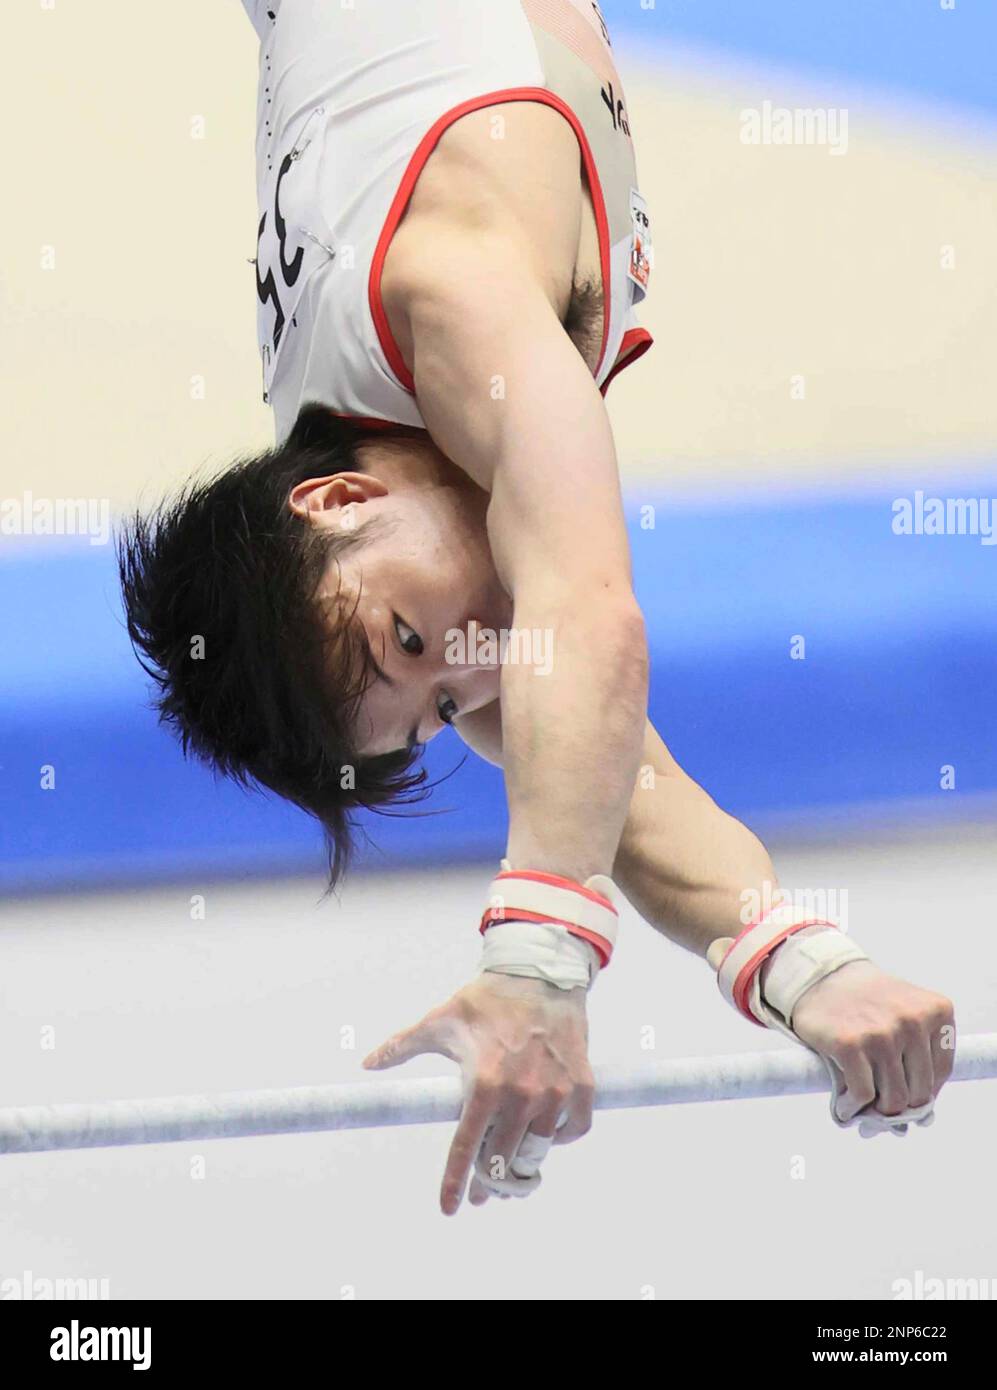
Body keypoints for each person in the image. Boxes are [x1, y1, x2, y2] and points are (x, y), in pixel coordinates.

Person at [118, 0, 955, 1213]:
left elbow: (590, 611)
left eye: (408, 639)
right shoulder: (406, 526)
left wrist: (538, 962)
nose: (474, 660)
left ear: (340, 496)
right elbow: (619, 787)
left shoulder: (449, 298)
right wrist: (801, 964)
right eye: (444, 703)